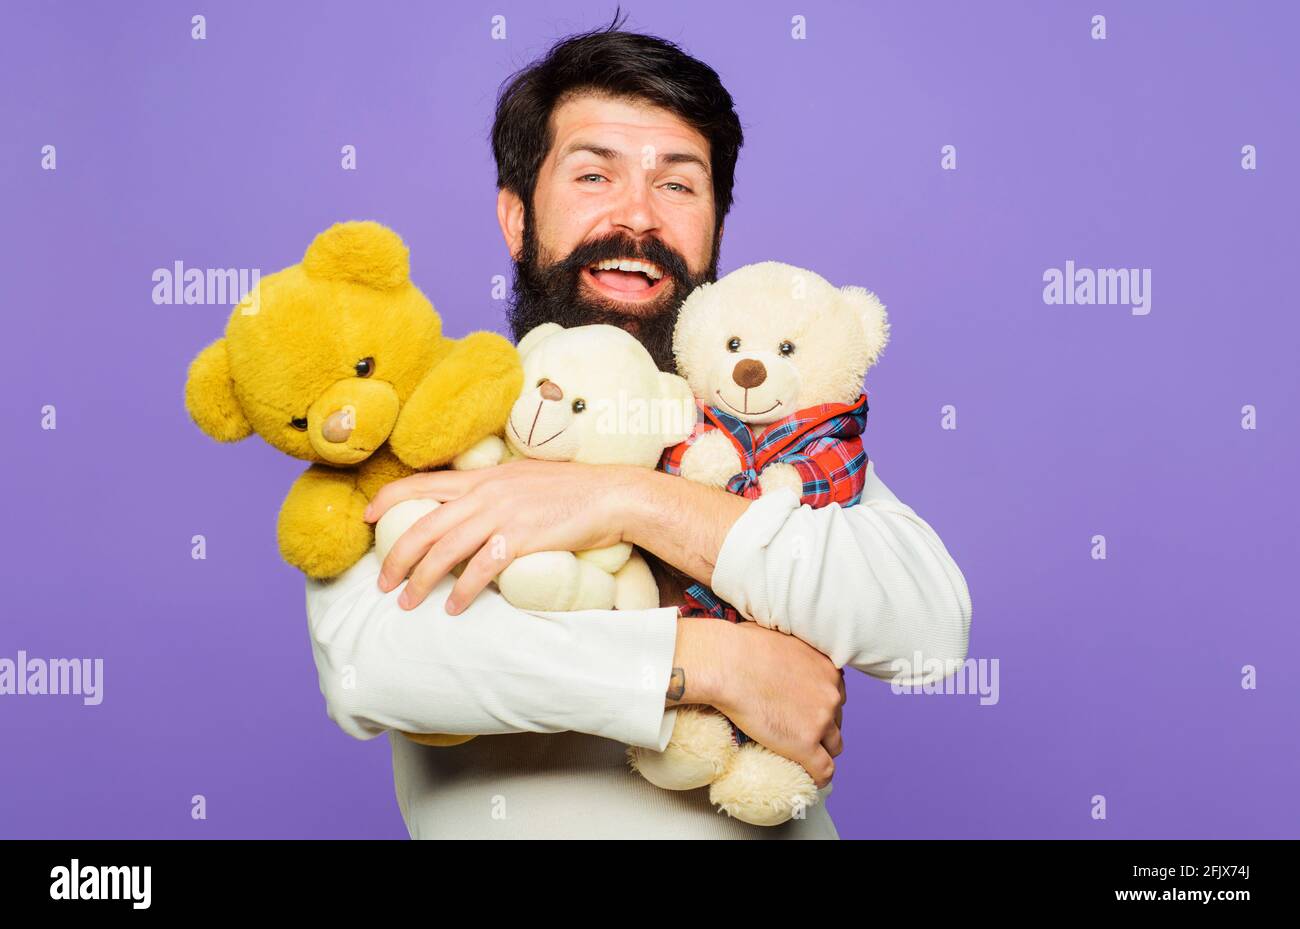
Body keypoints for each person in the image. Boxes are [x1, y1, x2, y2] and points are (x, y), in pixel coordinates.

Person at [306, 17, 970, 840]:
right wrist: (714, 666)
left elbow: (927, 630)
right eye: (594, 175)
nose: (638, 216)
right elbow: (375, 669)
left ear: (716, 229)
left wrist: (629, 500)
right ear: (517, 220)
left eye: (678, 184)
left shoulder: (761, 423)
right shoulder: (428, 417)